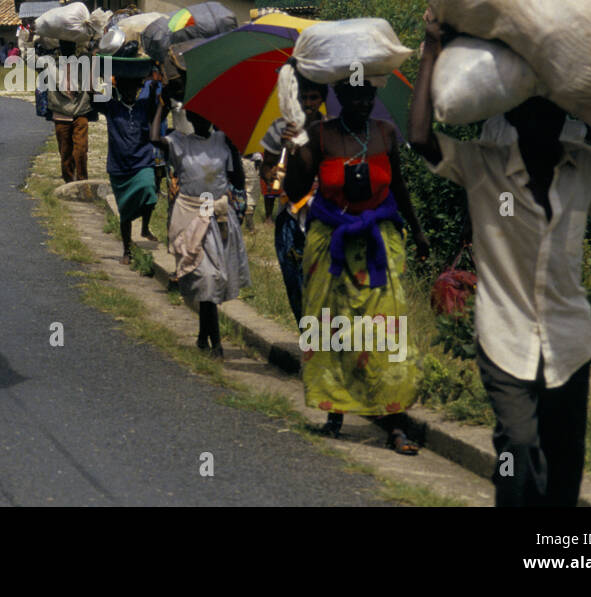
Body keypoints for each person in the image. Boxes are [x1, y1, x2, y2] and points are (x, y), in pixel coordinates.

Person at [409, 9, 591, 505]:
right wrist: (432, 47)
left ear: (566, 115)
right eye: (532, 111)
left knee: (564, 461)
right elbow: (421, 139)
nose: (544, 121)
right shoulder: (482, 165)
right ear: (511, 116)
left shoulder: (588, 168)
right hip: (504, 335)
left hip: (568, 340)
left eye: (553, 111)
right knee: (517, 446)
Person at [283, 78, 430, 453]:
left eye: (369, 95)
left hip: (379, 242)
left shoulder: (386, 133)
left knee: (386, 331)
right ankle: (334, 413)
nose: (364, 102)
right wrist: (296, 148)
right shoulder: (319, 135)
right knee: (331, 327)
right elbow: (296, 191)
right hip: (331, 243)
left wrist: (417, 230)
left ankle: (395, 424)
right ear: (340, 97)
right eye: (355, 95)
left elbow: (398, 186)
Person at [153, 102, 250, 358]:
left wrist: (232, 148)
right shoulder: (179, 142)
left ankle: (202, 337)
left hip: (218, 219)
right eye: (196, 115)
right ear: (190, 117)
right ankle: (216, 343)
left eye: (207, 115)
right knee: (206, 278)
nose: (201, 120)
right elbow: (153, 139)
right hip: (190, 216)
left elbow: (238, 180)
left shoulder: (223, 141)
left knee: (214, 280)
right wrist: (161, 107)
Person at [259, 73, 329, 323]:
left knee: (322, 282)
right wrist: (271, 174)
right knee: (294, 281)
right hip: (290, 214)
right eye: (302, 98)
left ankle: (324, 338)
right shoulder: (281, 128)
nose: (308, 103)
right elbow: (266, 165)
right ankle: (308, 335)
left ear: (322, 99)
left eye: (313, 98)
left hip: (324, 215)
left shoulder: (330, 130)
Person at [103, 72, 160, 263]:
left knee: (149, 191)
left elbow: (160, 106)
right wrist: (97, 68)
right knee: (125, 212)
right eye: (124, 89)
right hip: (119, 167)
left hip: (142, 162)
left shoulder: (144, 106)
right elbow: (92, 94)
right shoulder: (111, 107)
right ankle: (127, 251)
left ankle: (145, 226)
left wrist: (155, 84)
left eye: (132, 89)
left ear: (137, 90)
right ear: (119, 90)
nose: (128, 93)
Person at [50, 40, 95, 183]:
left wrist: (93, 43)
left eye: (70, 45)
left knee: (81, 151)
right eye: (65, 46)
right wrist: (29, 38)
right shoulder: (51, 65)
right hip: (61, 115)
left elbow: (99, 55)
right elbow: (29, 58)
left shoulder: (84, 62)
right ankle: (69, 183)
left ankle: (82, 182)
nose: (68, 49)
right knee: (65, 154)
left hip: (80, 113)